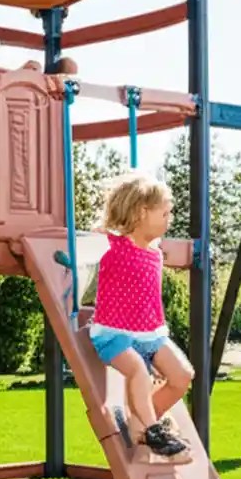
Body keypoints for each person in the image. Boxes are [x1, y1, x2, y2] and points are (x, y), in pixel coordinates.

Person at [88, 173, 194, 457]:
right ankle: (151, 429)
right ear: (140, 212)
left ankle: (142, 423)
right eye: (165, 213)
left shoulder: (156, 252)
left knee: (183, 375)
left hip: (151, 333)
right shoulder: (112, 245)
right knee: (138, 372)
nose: (169, 219)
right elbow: (88, 242)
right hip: (113, 333)